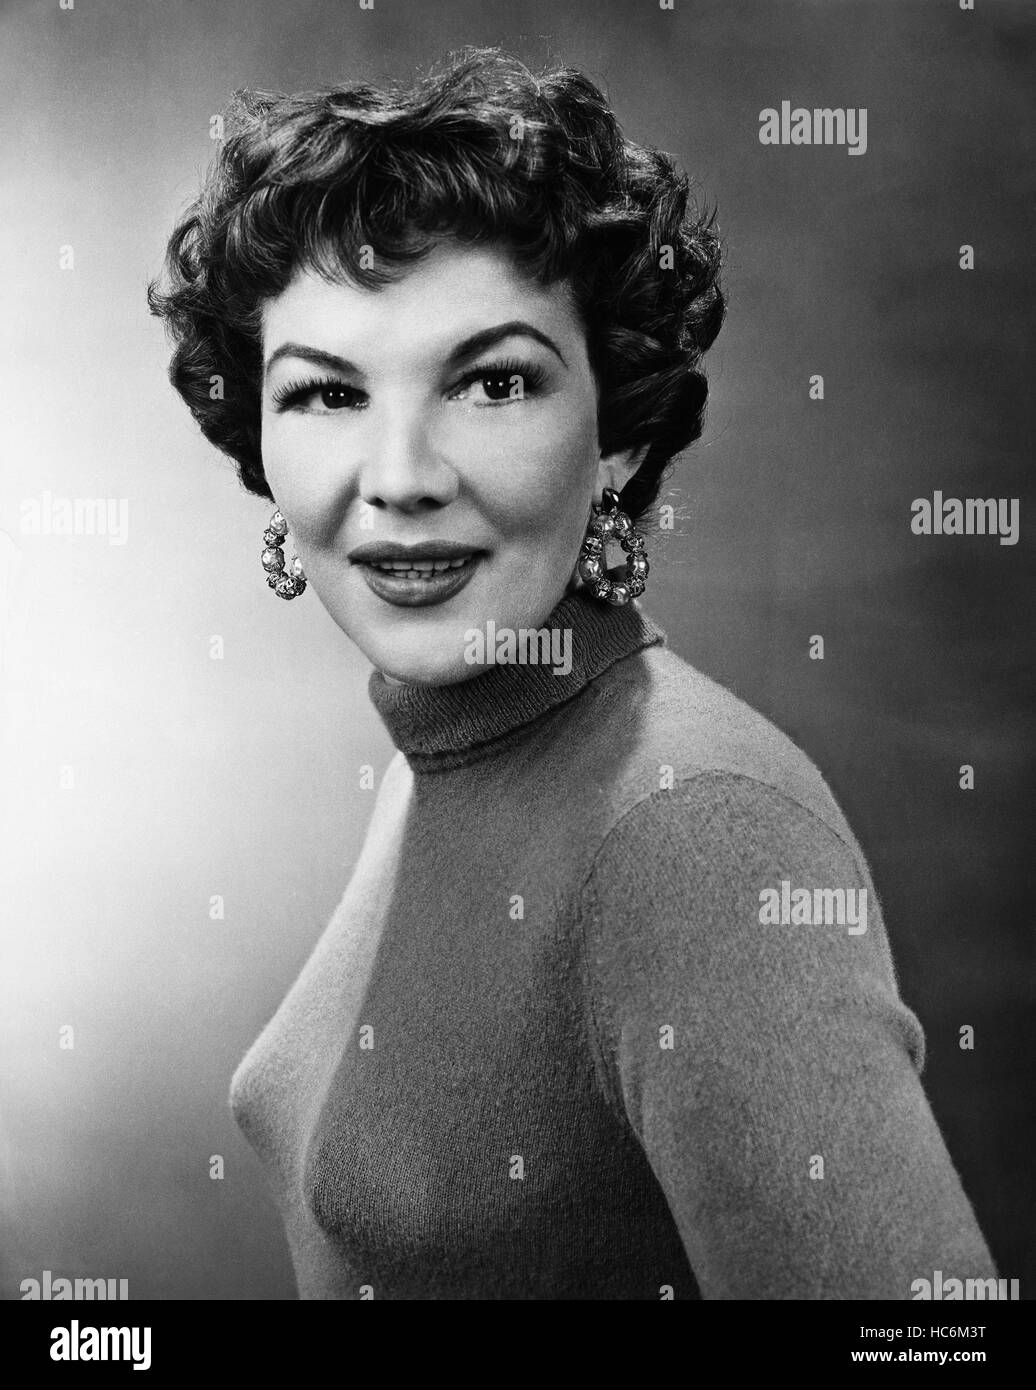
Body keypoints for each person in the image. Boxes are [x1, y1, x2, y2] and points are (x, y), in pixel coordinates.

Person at [148, 47, 996, 1299]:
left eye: (493, 381)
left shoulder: (694, 832)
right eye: (326, 394)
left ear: (619, 428)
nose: (400, 475)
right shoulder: (461, 737)